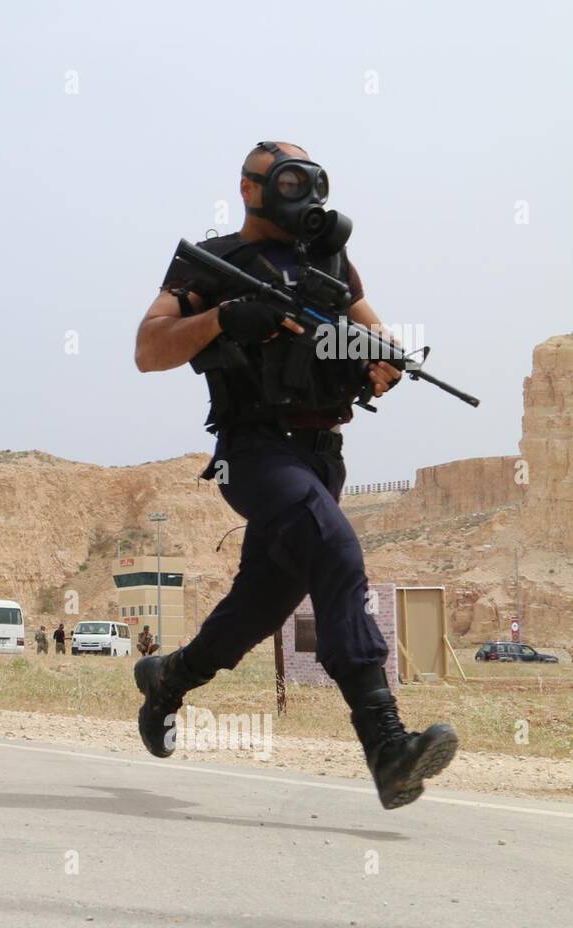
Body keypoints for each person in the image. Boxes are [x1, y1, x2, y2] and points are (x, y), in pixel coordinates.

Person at [132, 140, 456, 809]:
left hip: (320, 455)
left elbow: (379, 337)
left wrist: (384, 363)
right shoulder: (213, 261)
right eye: (286, 181)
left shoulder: (331, 259)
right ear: (250, 189)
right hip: (251, 451)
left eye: (309, 181)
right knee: (336, 547)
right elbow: (148, 349)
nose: (301, 194)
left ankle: (168, 678)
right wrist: (225, 315)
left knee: (258, 607)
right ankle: (388, 746)